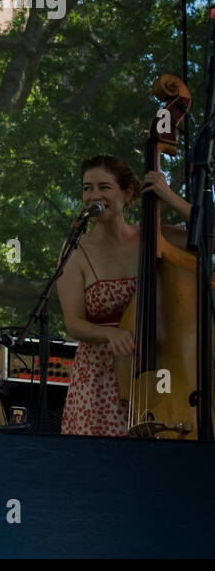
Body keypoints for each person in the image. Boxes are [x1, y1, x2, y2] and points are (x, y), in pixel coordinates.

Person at [55, 155, 190, 436]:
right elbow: (74, 323)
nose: (94, 195)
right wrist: (111, 335)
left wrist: (169, 197)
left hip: (157, 369)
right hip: (99, 377)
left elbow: (210, 236)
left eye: (104, 187)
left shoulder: (154, 239)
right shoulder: (75, 251)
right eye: (86, 188)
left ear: (128, 194)